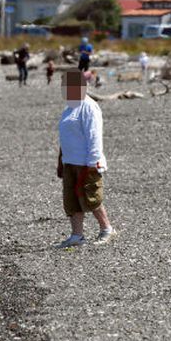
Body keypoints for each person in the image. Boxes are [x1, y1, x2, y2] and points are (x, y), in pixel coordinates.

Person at [56, 70, 115, 247]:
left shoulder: (89, 107)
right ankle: (77, 235)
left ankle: (107, 229)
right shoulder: (69, 109)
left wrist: (93, 162)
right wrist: (61, 161)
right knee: (71, 199)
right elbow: (65, 137)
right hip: (70, 162)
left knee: (91, 198)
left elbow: (94, 136)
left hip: (87, 162)